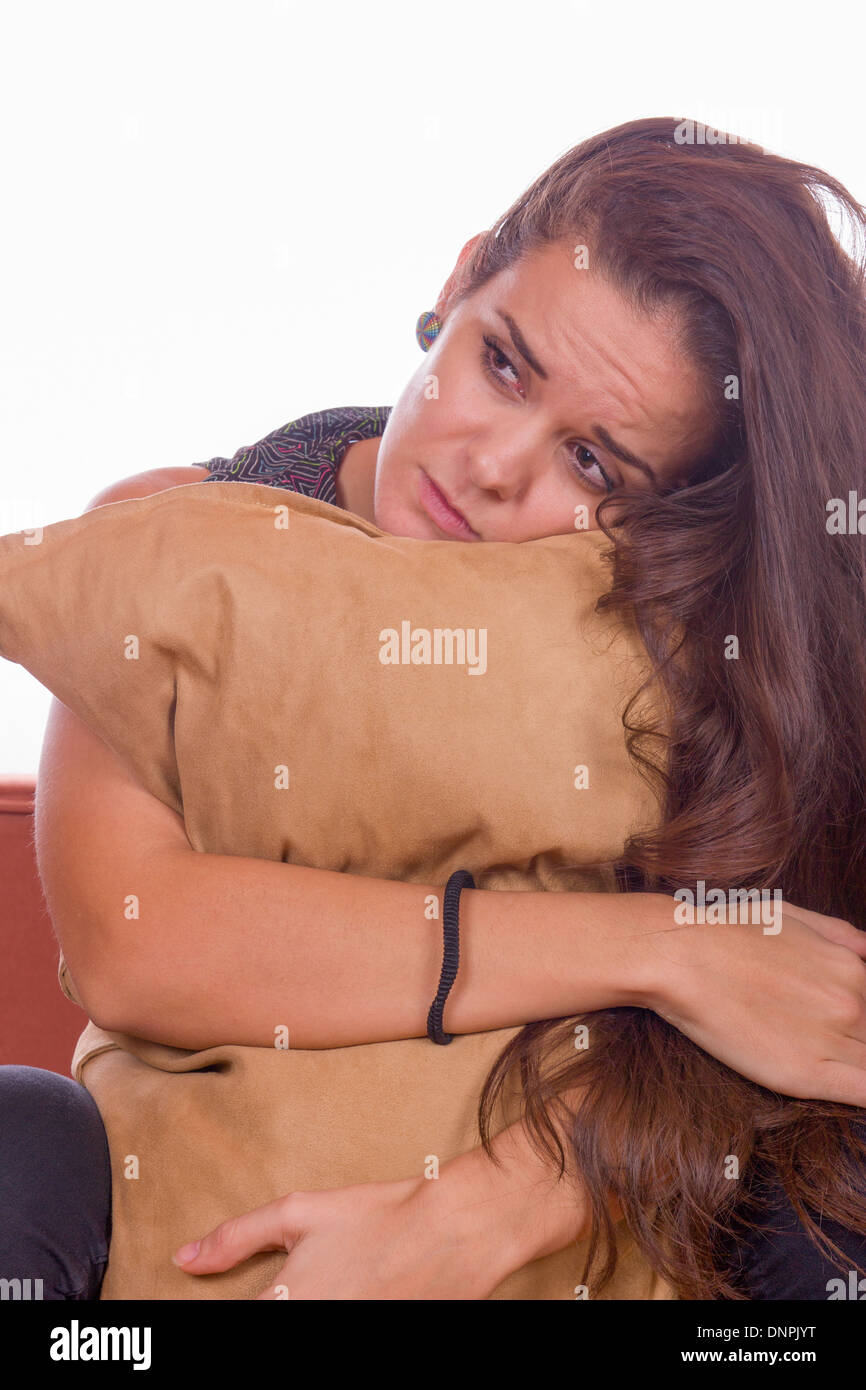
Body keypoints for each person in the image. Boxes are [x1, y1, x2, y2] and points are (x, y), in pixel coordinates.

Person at [3, 116, 866, 1301]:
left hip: (589, 1195)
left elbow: (783, 1009)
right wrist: (665, 950)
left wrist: (478, 1211)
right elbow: (130, 943)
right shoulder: (177, 540)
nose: (494, 464)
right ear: (457, 280)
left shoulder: (671, 643)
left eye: (594, 465)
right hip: (180, 1209)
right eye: (502, 363)